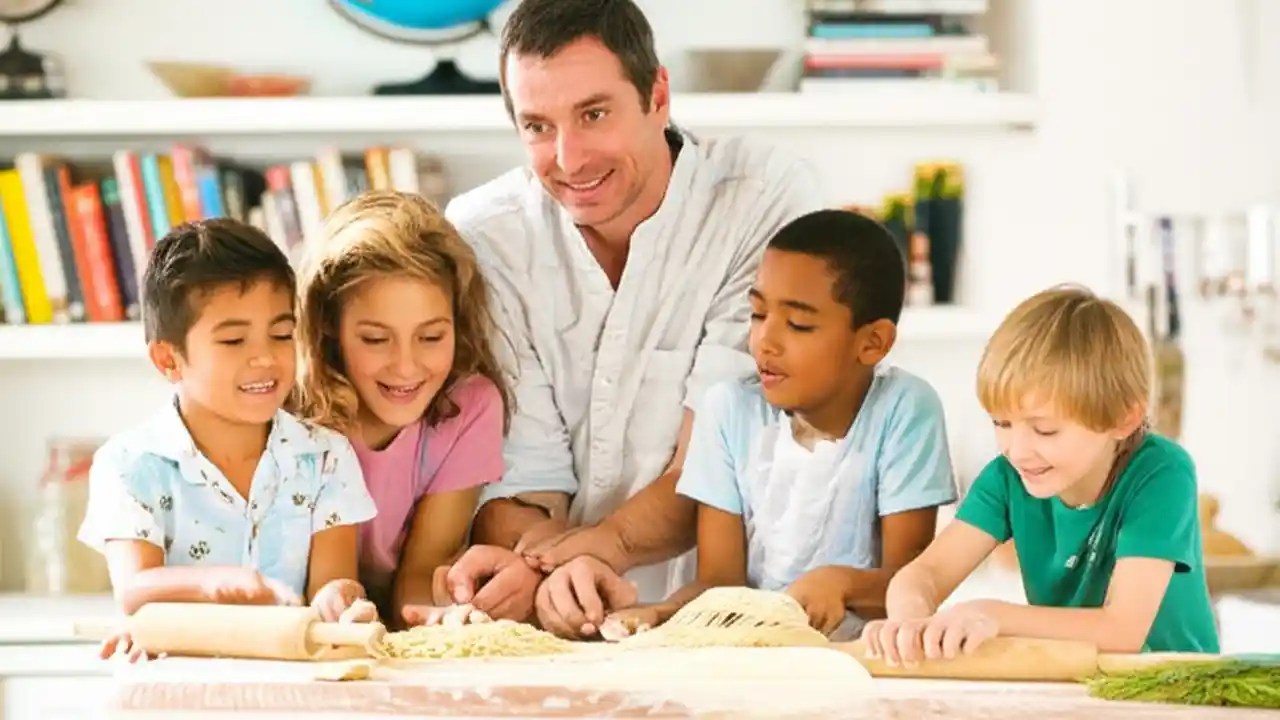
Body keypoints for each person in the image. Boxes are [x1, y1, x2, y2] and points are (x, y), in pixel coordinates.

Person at [440, 0, 823, 638]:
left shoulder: (762, 200)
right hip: (560, 632)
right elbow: (523, 475)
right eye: (538, 126)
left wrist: (600, 548)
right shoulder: (485, 235)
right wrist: (538, 566)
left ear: (658, 96)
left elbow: (716, 459)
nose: (570, 158)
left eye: (594, 114)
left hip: (742, 624)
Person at [598, 210, 957, 642]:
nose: (764, 341)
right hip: (753, 655)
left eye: (799, 324)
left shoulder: (905, 410)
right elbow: (719, 584)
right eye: (757, 314)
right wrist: (661, 614)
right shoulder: (729, 410)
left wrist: (841, 584)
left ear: (872, 342)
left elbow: (913, 586)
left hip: (868, 658)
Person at [860, 285, 1220, 665]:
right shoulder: (1007, 478)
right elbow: (926, 574)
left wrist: (992, 615)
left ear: (1123, 419)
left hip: (1178, 689)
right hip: (1083, 686)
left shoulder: (1162, 473)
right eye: (1002, 423)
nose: (1016, 451)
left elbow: (1122, 631)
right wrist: (910, 622)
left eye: (1044, 430)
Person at [78, 219, 377, 659]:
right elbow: (135, 590)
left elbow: (328, 588)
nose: (265, 357)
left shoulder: (325, 456)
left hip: (291, 678)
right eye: (234, 340)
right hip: (181, 678)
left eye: (281, 334)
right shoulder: (129, 464)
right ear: (168, 359)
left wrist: (340, 598)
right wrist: (211, 584)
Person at [294, 191, 515, 629]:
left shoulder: (469, 408)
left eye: (431, 337)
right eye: (376, 339)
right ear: (329, 327)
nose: (406, 367)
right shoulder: (291, 409)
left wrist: (432, 620)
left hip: (387, 628)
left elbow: (423, 569)